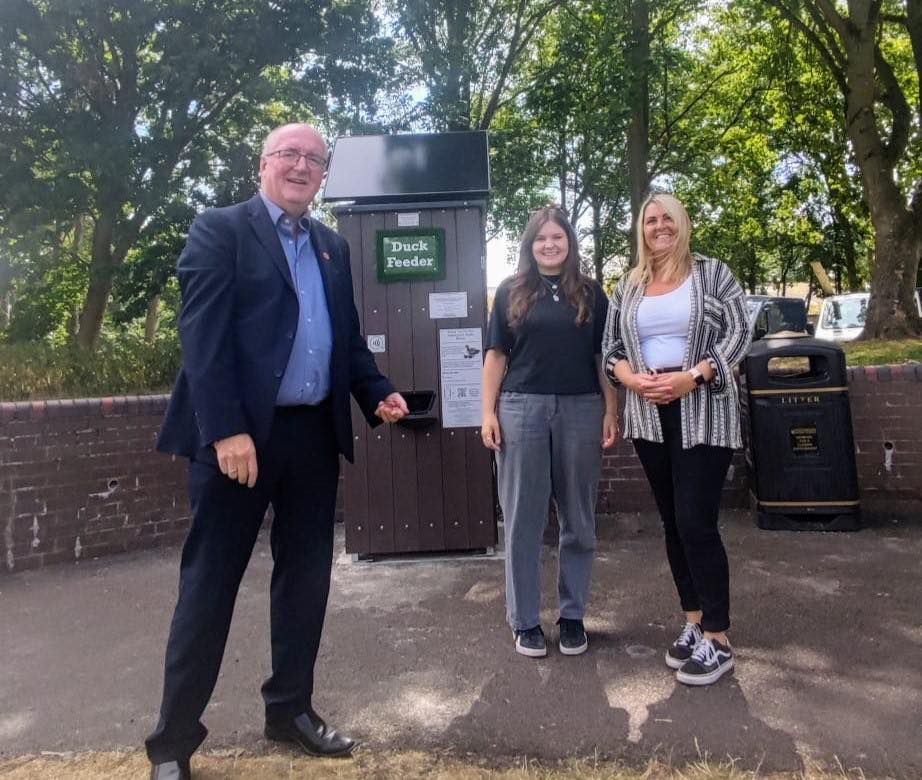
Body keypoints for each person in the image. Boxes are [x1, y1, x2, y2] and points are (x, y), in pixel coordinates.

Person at [146, 123, 408, 780]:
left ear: (323, 175)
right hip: (239, 440)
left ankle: (289, 710)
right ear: (262, 165)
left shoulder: (331, 248)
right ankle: (173, 743)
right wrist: (226, 430)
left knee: (307, 582)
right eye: (287, 155)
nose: (300, 166)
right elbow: (202, 342)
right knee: (210, 588)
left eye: (312, 159)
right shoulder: (221, 230)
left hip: (312, 438)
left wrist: (375, 390)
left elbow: (344, 339)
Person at [601, 192, 751, 687]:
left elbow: (739, 331)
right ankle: (693, 622)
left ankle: (720, 637)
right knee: (671, 522)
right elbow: (611, 349)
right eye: (650, 220)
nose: (660, 226)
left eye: (668, 218)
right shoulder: (630, 284)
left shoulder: (713, 274)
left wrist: (698, 375)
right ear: (640, 229)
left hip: (703, 410)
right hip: (649, 415)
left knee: (696, 522)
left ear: (683, 223)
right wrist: (631, 378)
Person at [481, 205, 619, 659]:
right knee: (523, 518)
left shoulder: (592, 294)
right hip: (522, 409)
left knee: (578, 518)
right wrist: (488, 413)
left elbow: (604, 360)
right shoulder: (510, 292)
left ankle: (573, 615)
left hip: (581, 408)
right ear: (530, 245)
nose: (550, 245)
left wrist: (611, 410)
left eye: (557, 238)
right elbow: (496, 357)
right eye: (542, 239)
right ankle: (524, 621)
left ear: (569, 244)